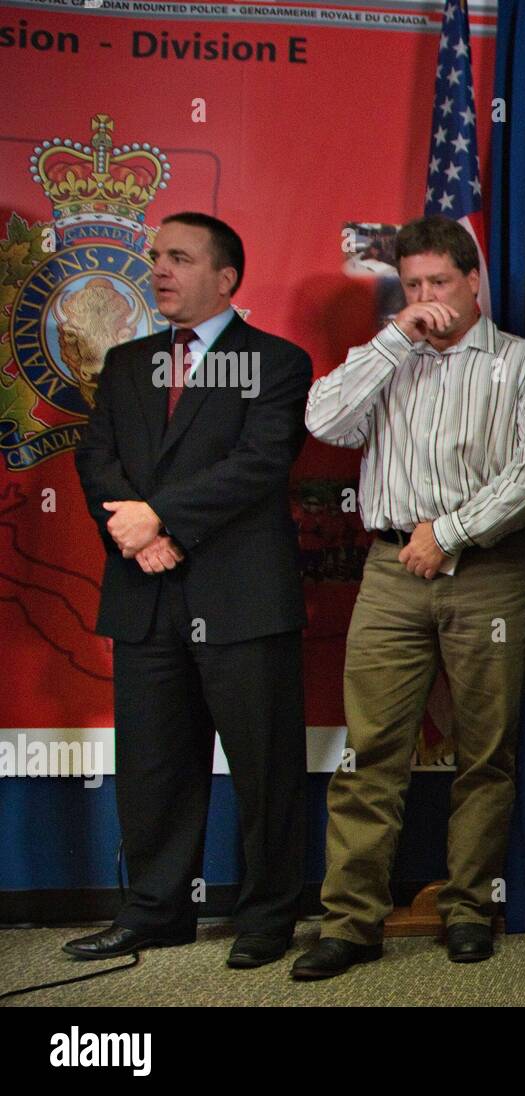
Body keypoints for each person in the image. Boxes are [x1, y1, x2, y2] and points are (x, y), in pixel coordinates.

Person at [294, 216, 525, 978]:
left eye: (438, 284)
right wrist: (393, 340)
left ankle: (467, 907)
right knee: (372, 749)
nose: (426, 300)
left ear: (472, 281)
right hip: (388, 572)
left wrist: (447, 532)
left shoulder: (524, 363)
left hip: (488, 571)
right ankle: (350, 920)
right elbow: (323, 420)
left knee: (485, 749)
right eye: (411, 286)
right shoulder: (388, 360)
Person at [68, 212, 313, 970]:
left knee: (264, 766)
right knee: (153, 766)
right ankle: (154, 912)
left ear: (227, 278)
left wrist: (162, 518)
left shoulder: (276, 361)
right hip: (146, 595)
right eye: (155, 257)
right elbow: (96, 459)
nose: (158, 269)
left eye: (178, 257)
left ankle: (269, 913)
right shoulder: (127, 362)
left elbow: (259, 464)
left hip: (241, 596)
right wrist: (137, 534)